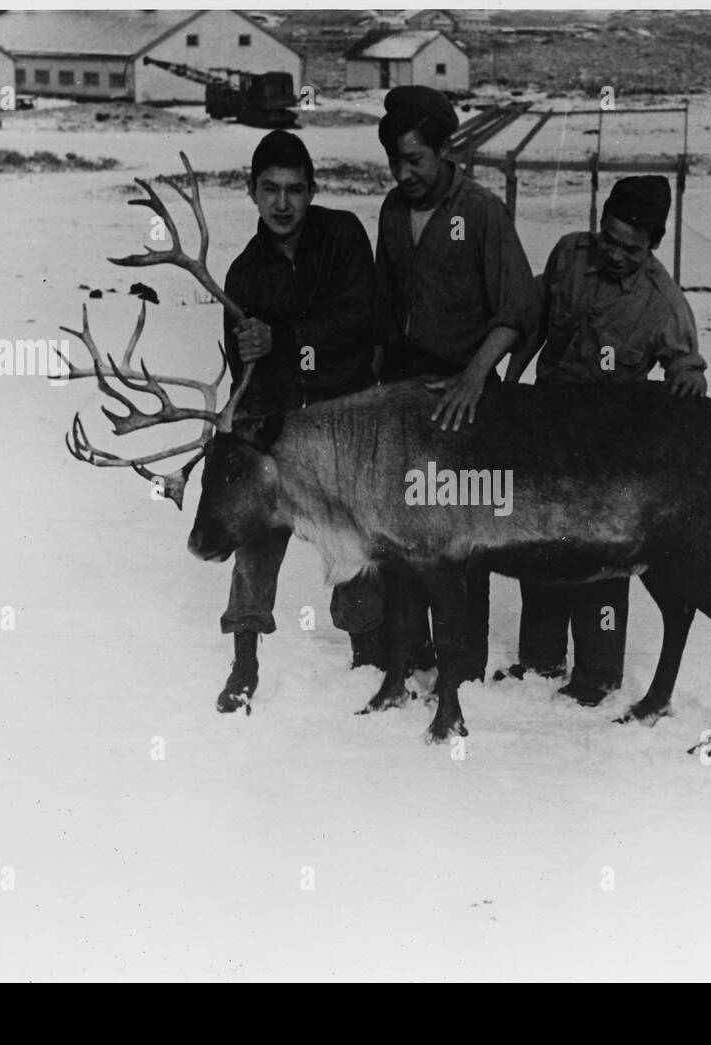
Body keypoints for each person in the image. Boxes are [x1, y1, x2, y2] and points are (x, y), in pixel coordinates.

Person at [498, 175, 707, 706]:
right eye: (609, 239)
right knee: (539, 545)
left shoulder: (663, 303)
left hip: (609, 453)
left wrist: (688, 378)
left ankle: (597, 677)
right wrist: (509, 381)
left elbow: (686, 364)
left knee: (603, 557)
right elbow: (535, 319)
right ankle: (541, 661)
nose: (614, 253)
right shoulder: (570, 254)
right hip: (546, 432)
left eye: (630, 248)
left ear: (653, 244)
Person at [372, 85, 540, 683]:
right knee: (406, 525)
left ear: (446, 153)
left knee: (464, 530)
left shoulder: (484, 212)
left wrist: (474, 378)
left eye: (414, 159)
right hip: (406, 395)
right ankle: (408, 651)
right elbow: (384, 309)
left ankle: (463, 662)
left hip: (466, 398)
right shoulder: (393, 213)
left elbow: (517, 308)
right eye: (395, 160)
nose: (404, 172)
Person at [216, 130, 382, 713]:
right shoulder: (244, 275)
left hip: (344, 421)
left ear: (313, 191)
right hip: (281, 425)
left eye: (295, 190)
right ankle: (244, 661)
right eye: (270, 190)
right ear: (251, 192)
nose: (282, 204)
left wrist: (281, 339)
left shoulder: (342, 237)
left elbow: (358, 319)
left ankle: (367, 656)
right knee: (255, 534)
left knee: (354, 538)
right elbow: (244, 368)